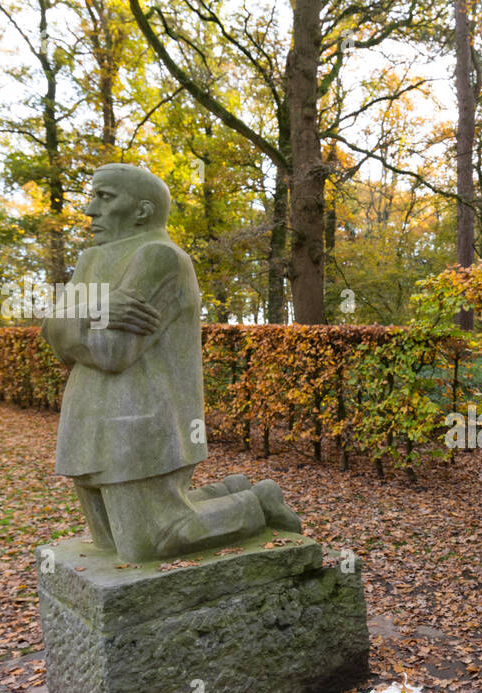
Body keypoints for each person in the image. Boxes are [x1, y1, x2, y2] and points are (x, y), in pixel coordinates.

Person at [42, 163, 300, 563]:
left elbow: (113, 351)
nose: (90, 210)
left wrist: (75, 320)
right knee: (111, 541)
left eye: (104, 197)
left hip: (139, 426)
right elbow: (52, 331)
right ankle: (229, 490)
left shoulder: (159, 257)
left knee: (150, 541)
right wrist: (98, 308)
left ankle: (257, 504)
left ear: (142, 210)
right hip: (89, 423)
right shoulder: (92, 260)